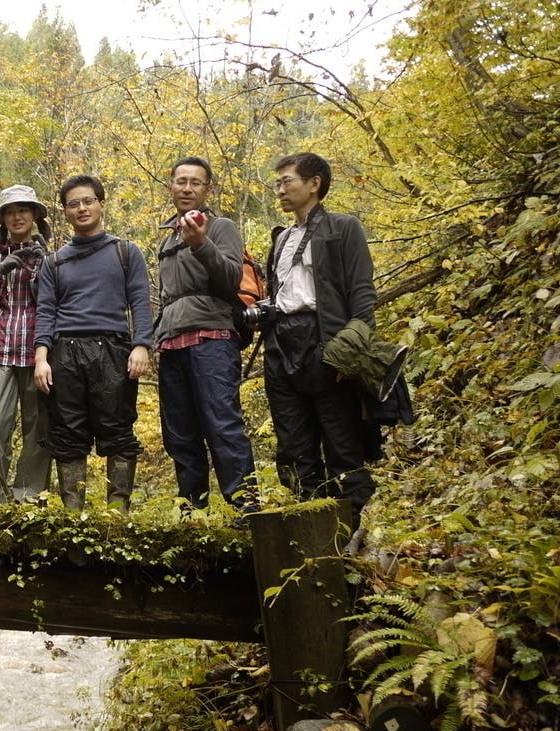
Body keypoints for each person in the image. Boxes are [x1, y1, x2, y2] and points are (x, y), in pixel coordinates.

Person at [264, 152, 377, 538]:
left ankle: (351, 532)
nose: (280, 189)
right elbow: (279, 294)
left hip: (326, 341)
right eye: (277, 182)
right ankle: (309, 532)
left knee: (342, 440)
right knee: (293, 443)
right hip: (281, 344)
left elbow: (362, 293)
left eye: (287, 181)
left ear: (314, 183)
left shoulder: (343, 228)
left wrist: (352, 347)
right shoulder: (280, 238)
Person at [34, 174, 153, 512]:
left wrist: (142, 345)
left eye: (88, 201)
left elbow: (140, 302)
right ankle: (74, 516)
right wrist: (41, 358)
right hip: (64, 353)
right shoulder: (53, 262)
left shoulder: (126, 252)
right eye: (74, 204)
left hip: (113, 351)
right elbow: (45, 312)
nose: (82, 208)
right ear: (65, 212)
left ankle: (117, 513)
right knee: (68, 434)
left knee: (118, 430)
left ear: (101, 203)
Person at [154, 156, 257, 512]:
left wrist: (201, 243)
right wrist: (154, 339)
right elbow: (167, 295)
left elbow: (230, 278)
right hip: (171, 343)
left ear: (207, 189)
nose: (186, 188)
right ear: (170, 186)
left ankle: (246, 507)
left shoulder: (221, 226)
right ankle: (192, 511)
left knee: (223, 423)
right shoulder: (166, 238)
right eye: (180, 181)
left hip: (213, 337)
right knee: (180, 433)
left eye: (195, 182)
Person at [0, 184, 53, 504]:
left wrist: (42, 270)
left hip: (38, 351)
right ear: (2, 218)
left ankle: (29, 498)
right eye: (11, 211)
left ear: (34, 215)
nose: (17, 217)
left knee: (38, 431)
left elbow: (53, 304)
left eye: (23, 210)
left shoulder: (50, 256)